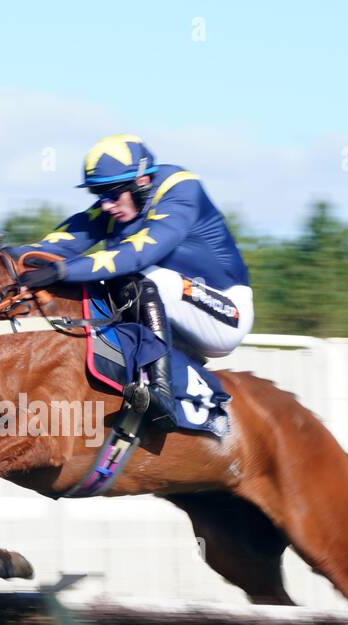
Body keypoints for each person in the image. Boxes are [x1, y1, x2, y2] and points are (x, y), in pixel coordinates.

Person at [14, 134, 254, 430]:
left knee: (142, 276)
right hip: (176, 311)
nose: (105, 205)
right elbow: (54, 245)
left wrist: (62, 271)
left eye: (113, 194)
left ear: (142, 182)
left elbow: (138, 255)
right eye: (99, 195)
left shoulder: (181, 189)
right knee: (101, 285)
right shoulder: (119, 203)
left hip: (226, 313)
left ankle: (162, 395)